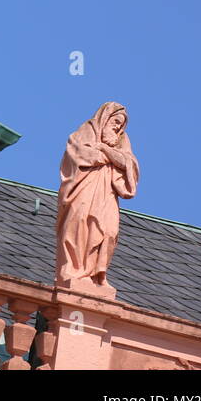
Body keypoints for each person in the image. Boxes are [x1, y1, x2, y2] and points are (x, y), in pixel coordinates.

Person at [56, 101, 140, 294]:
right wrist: (107, 155)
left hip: (107, 194)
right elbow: (79, 154)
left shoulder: (121, 142)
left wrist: (104, 149)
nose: (117, 126)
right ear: (105, 117)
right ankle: (75, 272)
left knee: (109, 231)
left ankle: (98, 274)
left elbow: (128, 164)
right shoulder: (86, 131)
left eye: (121, 124)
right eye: (115, 121)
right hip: (83, 189)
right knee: (79, 224)